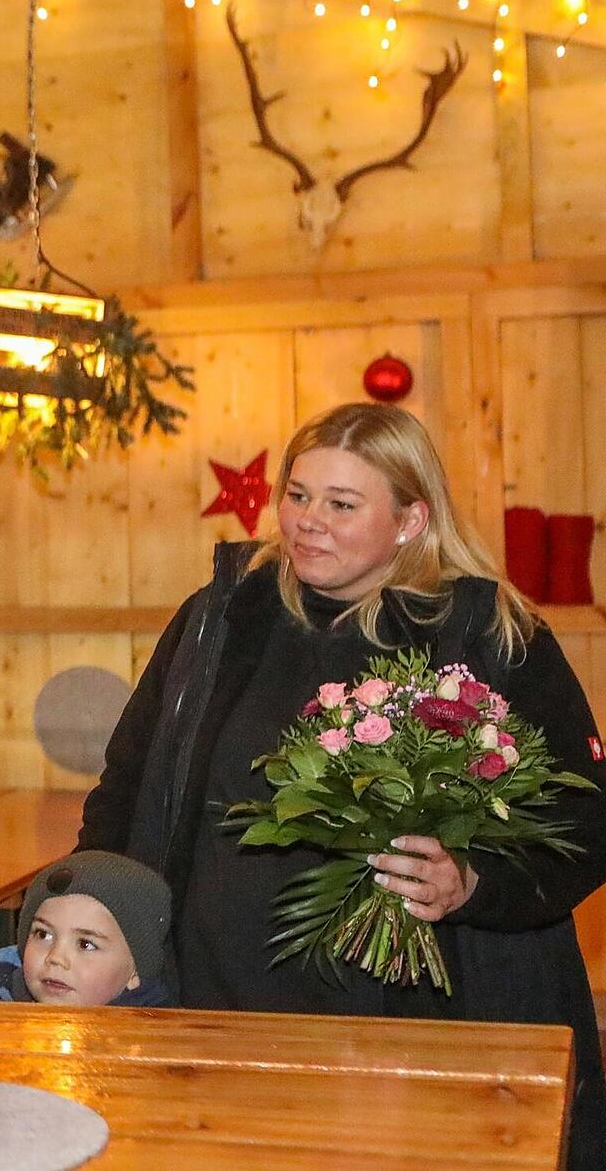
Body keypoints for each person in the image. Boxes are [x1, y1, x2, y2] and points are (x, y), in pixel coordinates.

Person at [78, 401, 606, 1165]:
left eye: (342, 503)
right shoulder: (222, 618)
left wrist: (473, 881)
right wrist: (96, 912)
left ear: (410, 519)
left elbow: (585, 817)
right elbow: (128, 781)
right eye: (297, 494)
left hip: (425, 1017)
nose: (307, 521)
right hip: (222, 1000)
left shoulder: (487, 633)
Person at [0, 850, 172, 1006]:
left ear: (135, 972)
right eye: (43, 934)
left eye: (85, 944)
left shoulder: (157, 1046)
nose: (56, 957)